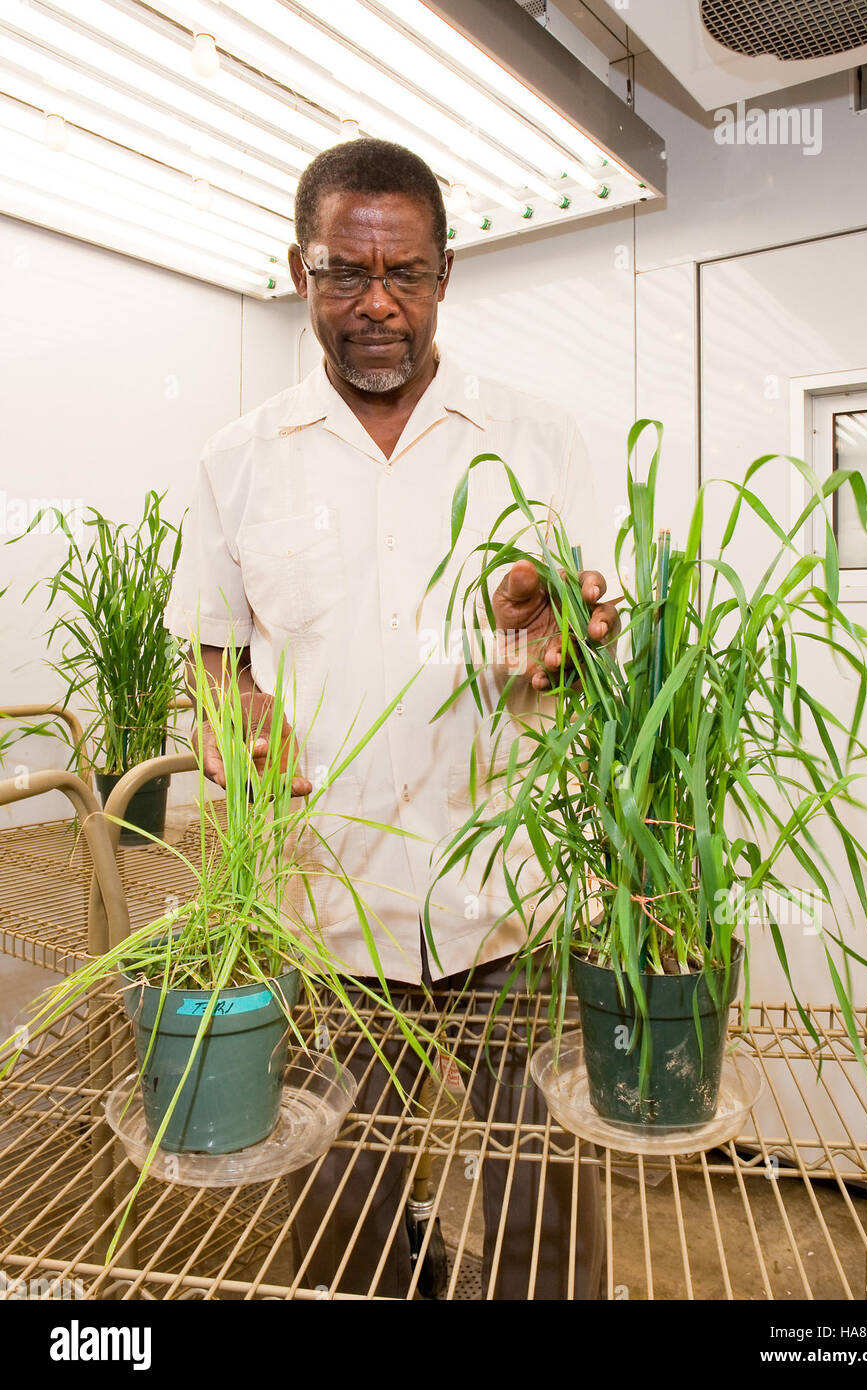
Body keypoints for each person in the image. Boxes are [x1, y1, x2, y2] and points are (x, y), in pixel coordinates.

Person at [164, 137, 619, 1300]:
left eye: (404, 274)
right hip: (328, 905)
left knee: (544, 1192)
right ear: (299, 271)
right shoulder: (237, 462)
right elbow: (215, 655)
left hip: (510, 902)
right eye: (345, 273)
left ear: (445, 275)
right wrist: (238, 716)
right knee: (341, 1198)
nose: (377, 305)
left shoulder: (536, 439)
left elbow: (585, 657)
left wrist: (556, 647)